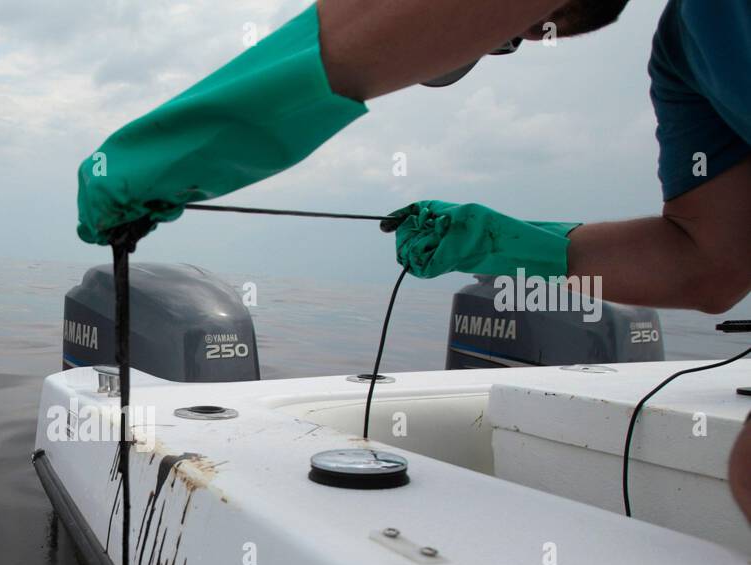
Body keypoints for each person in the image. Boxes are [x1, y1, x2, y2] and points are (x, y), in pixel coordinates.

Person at [76, 0, 751, 523]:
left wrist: (169, 149)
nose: (500, 39)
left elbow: (376, 28)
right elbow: (710, 262)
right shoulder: (691, 45)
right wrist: (500, 242)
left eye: (514, 36)